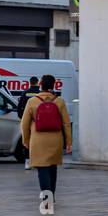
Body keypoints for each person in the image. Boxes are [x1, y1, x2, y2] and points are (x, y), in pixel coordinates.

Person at [20, 73, 72, 202]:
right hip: (56, 139)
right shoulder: (59, 101)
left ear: (40, 84)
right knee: (52, 168)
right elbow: (66, 123)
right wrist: (69, 142)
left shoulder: (32, 101)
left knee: (42, 169)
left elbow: (24, 123)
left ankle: (47, 199)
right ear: (53, 85)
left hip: (38, 140)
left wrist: (25, 140)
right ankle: (51, 196)